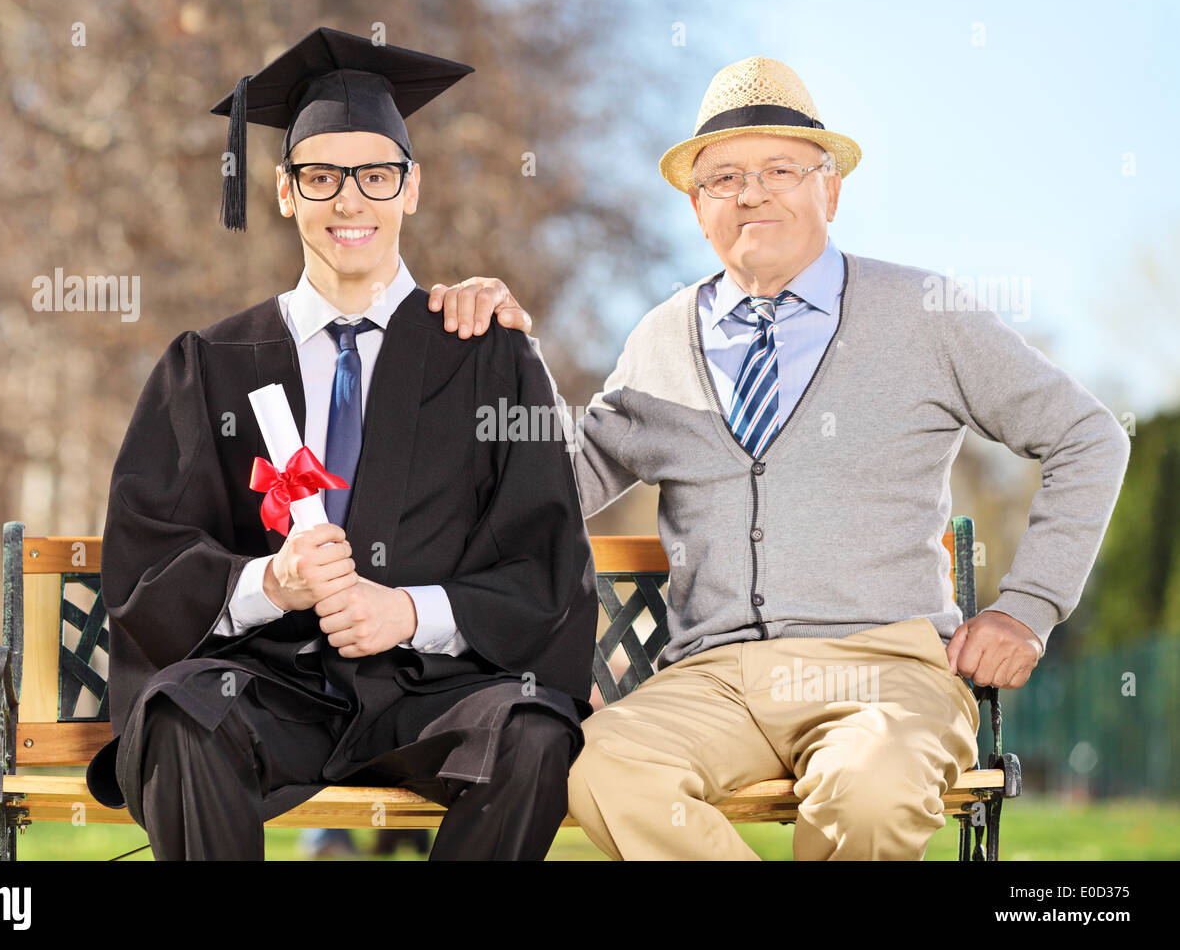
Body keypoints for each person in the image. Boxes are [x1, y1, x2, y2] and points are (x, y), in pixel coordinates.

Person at [427, 56, 1131, 859]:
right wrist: (503, 359)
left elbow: (1089, 435)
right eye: (723, 177)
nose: (752, 193)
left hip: (886, 672)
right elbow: (559, 482)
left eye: (780, 170)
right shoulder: (661, 337)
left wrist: (1028, 606)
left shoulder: (923, 314)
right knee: (603, 768)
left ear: (830, 190)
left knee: (871, 786)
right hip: (711, 679)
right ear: (698, 209)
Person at [84, 27, 597, 861]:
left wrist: (409, 612)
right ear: (285, 192)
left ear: (412, 188)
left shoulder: (488, 355)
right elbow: (145, 562)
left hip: (439, 691)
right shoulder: (210, 364)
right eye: (321, 177)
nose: (349, 201)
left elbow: (546, 561)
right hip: (267, 684)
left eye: (375, 175)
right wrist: (270, 583)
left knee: (531, 732)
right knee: (184, 716)